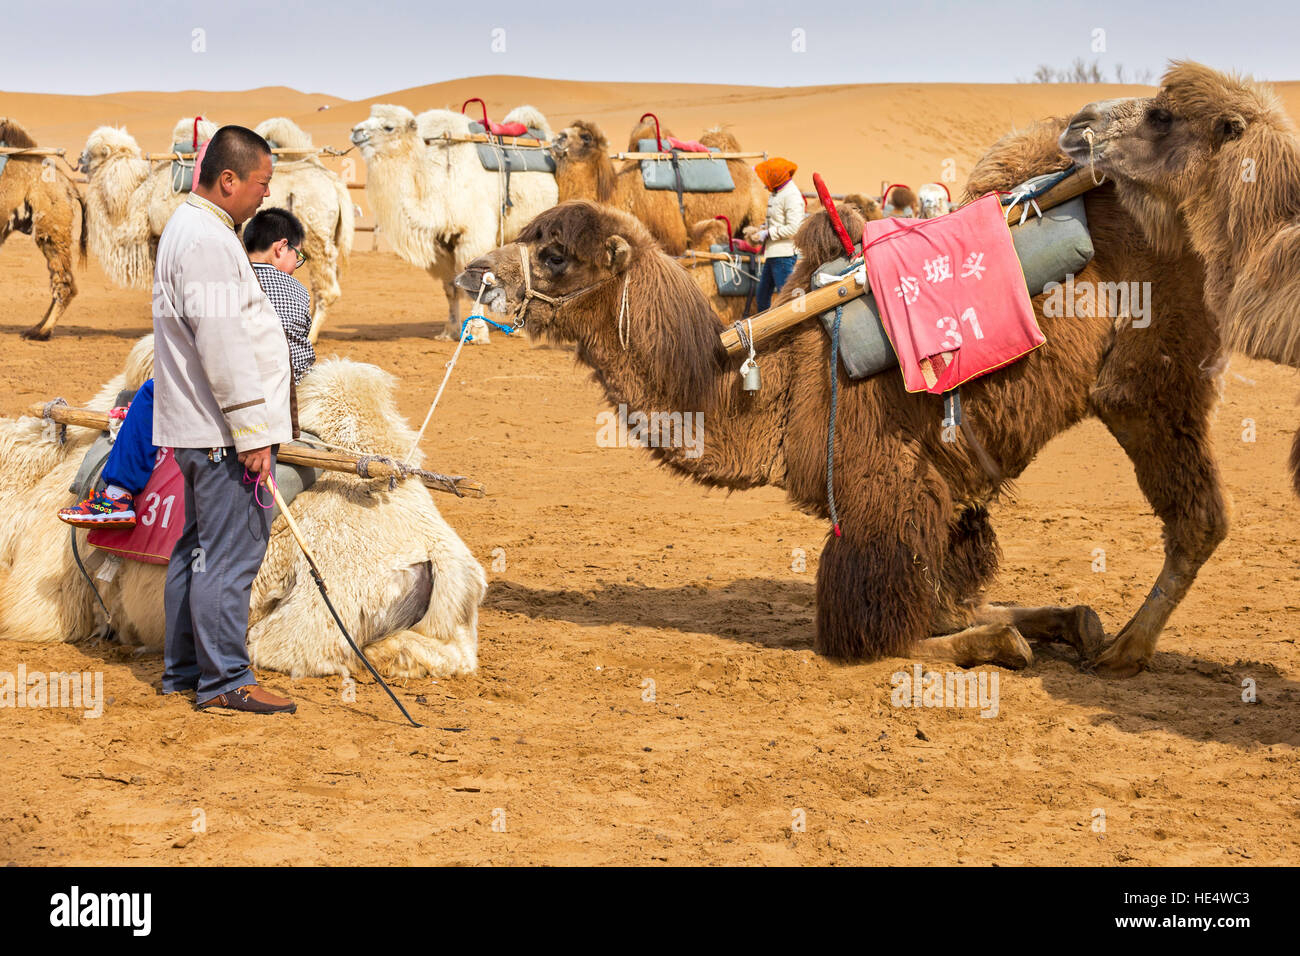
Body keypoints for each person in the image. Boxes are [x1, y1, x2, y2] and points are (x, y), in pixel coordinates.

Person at [152, 125, 296, 715]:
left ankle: (186, 669)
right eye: (262, 183)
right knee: (230, 553)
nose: (265, 196)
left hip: (202, 427)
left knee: (200, 549)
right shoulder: (208, 241)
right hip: (221, 433)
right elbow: (222, 341)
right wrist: (252, 432)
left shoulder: (195, 228)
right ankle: (225, 679)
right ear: (229, 179)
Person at [57, 207, 314, 528]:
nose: (296, 267)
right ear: (280, 248)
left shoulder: (226, 279)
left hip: (229, 394)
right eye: (298, 258)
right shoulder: (298, 293)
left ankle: (117, 495)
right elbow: (299, 355)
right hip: (273, 400)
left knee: (151, 391)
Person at [746, 157, 806, 311]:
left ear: (775, 177)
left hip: (784, 255)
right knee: (762, 296)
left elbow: (794, 228)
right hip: (773, 254)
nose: (764, 183)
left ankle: (792, 329)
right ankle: (764, 330)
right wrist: (761, 229)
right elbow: (777, 221)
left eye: (767, 178)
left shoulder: (791, 196)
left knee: (786, 298)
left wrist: (768, 233)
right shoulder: (777, 192)